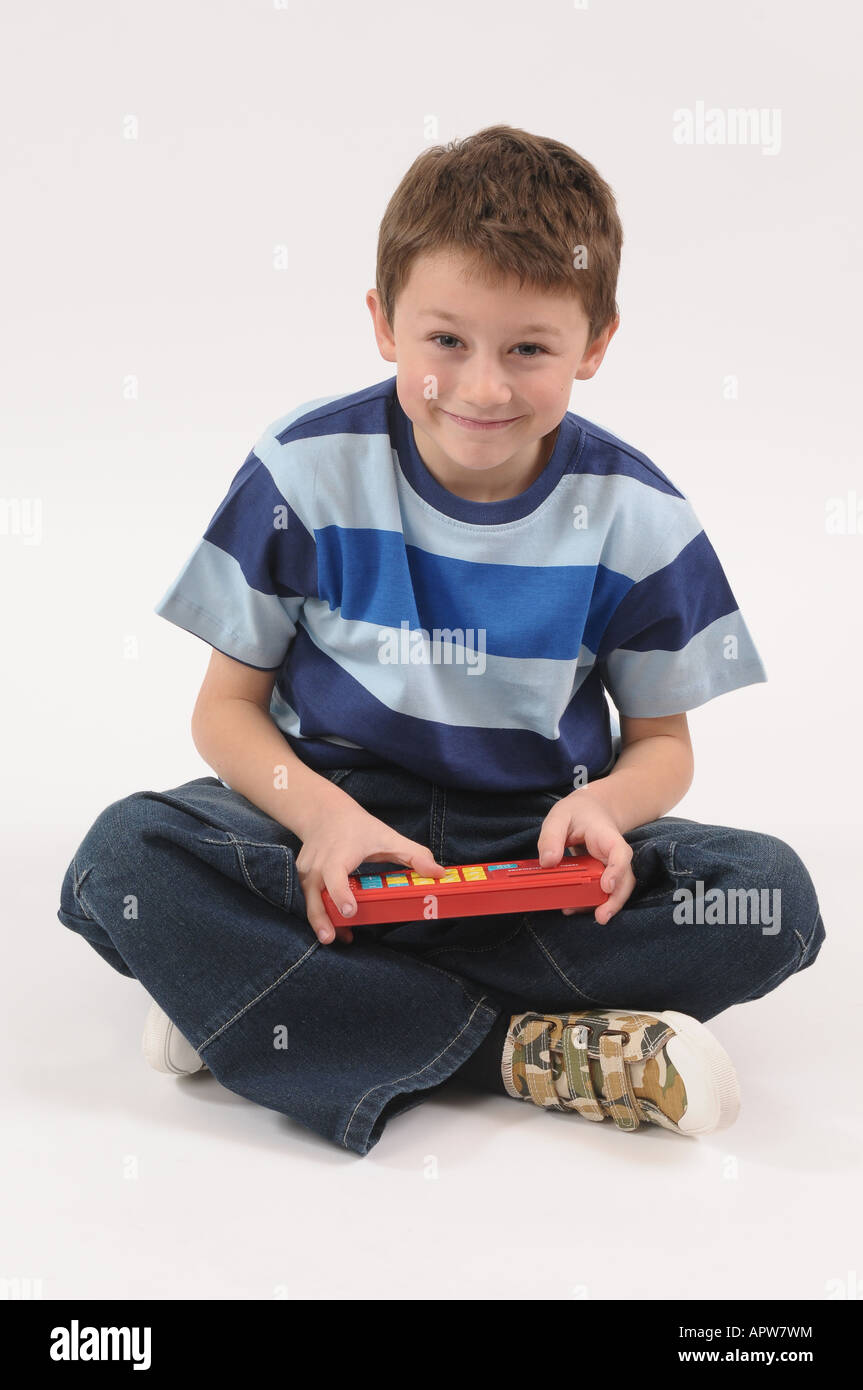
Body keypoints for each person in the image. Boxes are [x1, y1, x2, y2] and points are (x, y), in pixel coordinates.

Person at [57, 125, 825, 1155]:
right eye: (445, 341)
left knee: (767, 896)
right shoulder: (304, 472)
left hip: (528, 855)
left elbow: (661, 745)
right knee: (122, 862)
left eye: (529, 348)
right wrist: (323, 821)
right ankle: (526, 1051)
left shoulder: (641, 518)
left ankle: (272, 1008)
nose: (482, 388)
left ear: (593, 342)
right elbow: (224, 712)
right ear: (383, 323)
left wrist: (605, 805)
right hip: (332, 848)